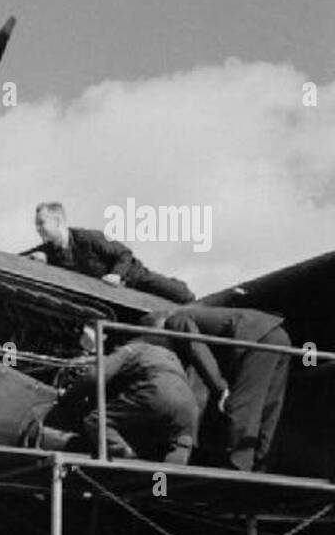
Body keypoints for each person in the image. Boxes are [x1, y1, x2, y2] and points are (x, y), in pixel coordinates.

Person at [155, 306, 291, 472]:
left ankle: (239, 468)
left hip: (256, 337)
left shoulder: (175, 319)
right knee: (269, 406)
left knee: (243, 404)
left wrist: (219, 387)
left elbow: (195, 348)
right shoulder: (206, 319)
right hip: (278, 336)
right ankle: (261, 462)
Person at [58, 324, 199, 464]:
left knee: (95, 420)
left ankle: (127, 458)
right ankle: (164, 484)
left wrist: (67, 399)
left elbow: (94, 376)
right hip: (190, 407)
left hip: (156, 394)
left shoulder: (133, 348)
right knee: (177, 447)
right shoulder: (171, 356)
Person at [24, 202, 194, 304]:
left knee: (180, 295)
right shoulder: (47, 251)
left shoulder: (89, 238)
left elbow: (124, 253)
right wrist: (32, 261)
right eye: (36, 225)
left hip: (133, 277)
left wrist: (116, 275)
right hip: (108, 296)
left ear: (58, 221)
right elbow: (16, 259)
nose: (38, 229)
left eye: (41, 223)